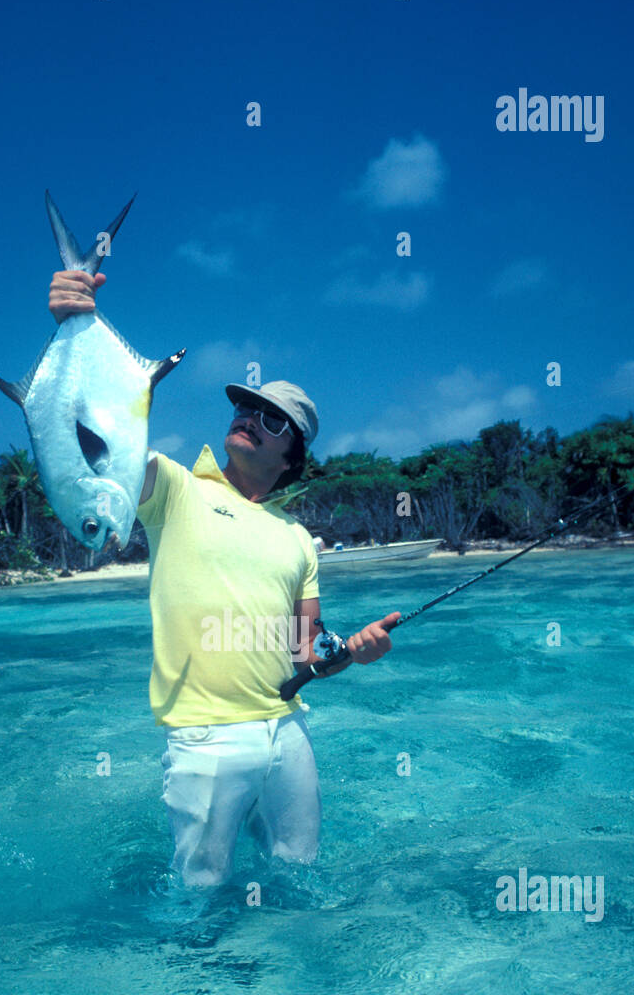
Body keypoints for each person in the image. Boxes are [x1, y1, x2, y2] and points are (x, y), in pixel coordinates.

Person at [49, 266, 399, 887]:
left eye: (269, 418)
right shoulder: (174, 489)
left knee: (300, 879)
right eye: (245, 405)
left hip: (287, 729)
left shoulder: (297, 538)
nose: (248, 416)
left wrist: (352, 652)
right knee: (198, 899)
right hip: (206, 737)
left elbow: (305, 652)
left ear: (292, 455)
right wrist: (73, 324)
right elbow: (91, 447)